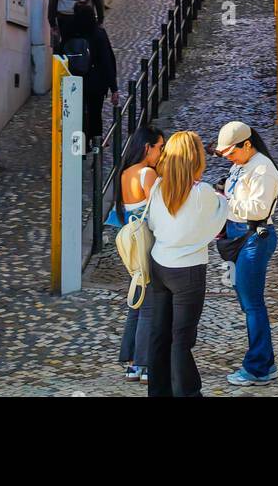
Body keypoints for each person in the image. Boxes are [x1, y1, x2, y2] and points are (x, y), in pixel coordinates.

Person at [143, 130, 227, 398]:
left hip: (160, 264)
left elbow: (153, 224)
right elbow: (219, 221)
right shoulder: (203, 193)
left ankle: (158, 392)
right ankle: (188, 393)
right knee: (182, 339)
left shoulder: (157, 187)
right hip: (188, 269)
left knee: (159, 333)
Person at [215, 120, 278, 387]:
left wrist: (225, 202)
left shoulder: (263, 169)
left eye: (231, 152)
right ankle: (265, 362)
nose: (228, 158)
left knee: (252, 304)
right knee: (248, 302)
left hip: (254, 238)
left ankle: (258, 368)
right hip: (240, 236)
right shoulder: (241, 165)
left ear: (247, 144)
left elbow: (258, 209)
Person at [116, 124, 165, 382]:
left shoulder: (126, 173)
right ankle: (144, 365)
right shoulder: (147, 174)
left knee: (136, 303)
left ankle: (132, 360)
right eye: (160, 147)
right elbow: (161, 210)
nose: (161, 153)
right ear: (148, 147)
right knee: (148, 306)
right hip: (149, 246)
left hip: (132, 246)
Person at [83, 24, 120, 146]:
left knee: (81, 113)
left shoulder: (72, 31)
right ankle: (96, 143)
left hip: (76, 80)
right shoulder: (99, 33)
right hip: (96, 82)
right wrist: (113, 88)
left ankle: (83, 142)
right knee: (95, 113)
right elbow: (107, 60)